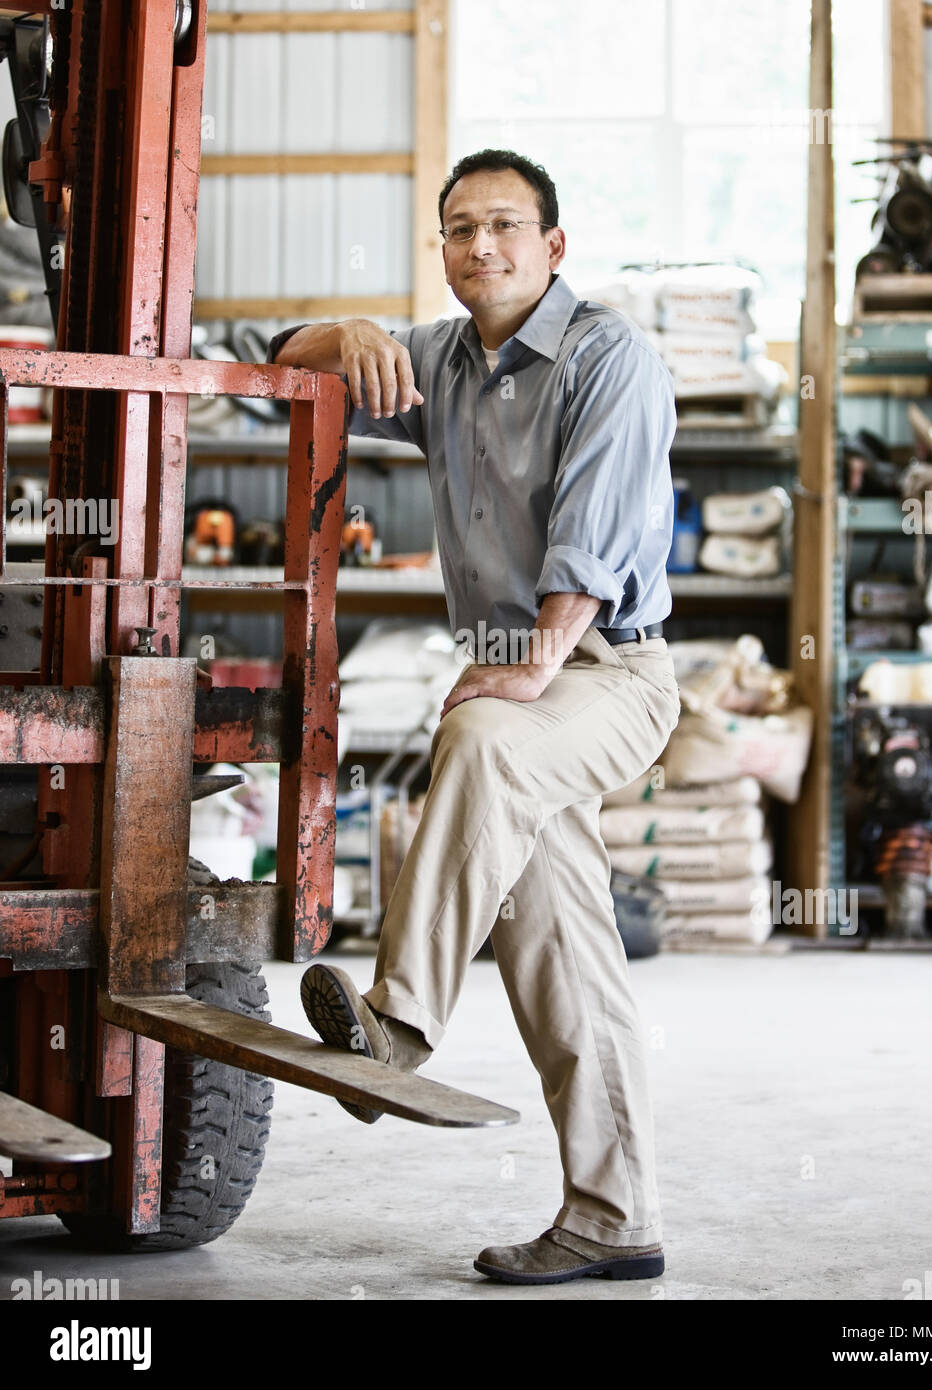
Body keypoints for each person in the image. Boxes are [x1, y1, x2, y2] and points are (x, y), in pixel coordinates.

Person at [268, 149, 681, 1285]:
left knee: (482, 738)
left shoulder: (609, 358)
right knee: (560, 951)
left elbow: (593, 537)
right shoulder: (442, 361)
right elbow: (272, 361)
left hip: (607, 671)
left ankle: (397, 1026)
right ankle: (614, 1218)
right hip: (524, 679)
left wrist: (531, 664)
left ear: (553, 246)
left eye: (504, 225)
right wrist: (344, 332)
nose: (480, 246)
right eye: (459, 229)